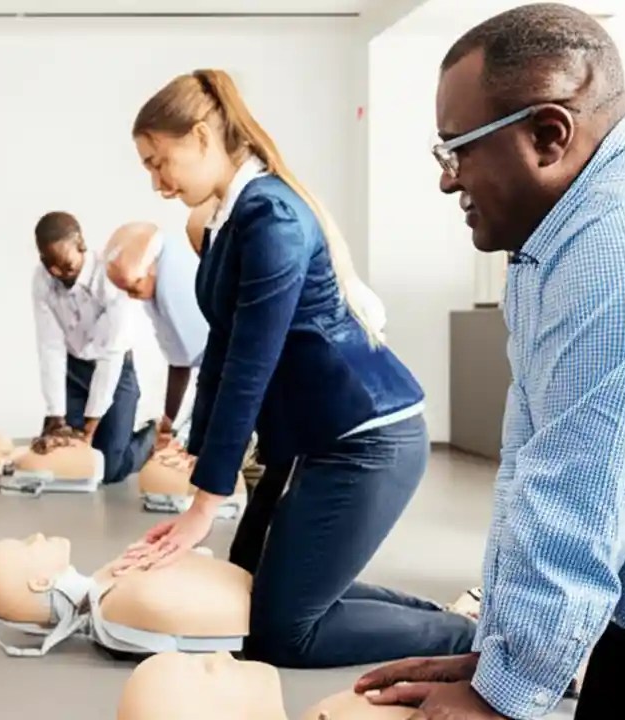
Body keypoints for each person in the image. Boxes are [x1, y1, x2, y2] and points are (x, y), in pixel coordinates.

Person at [357, 6, 625, 719]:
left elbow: (579, 485)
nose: (446, 179)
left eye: (455, 149)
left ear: (548, 135)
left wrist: (502, 697)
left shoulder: (621, 238)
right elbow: (534, 464)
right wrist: (499, 655)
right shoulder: (558, 235)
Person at [114, 68, 476, 668]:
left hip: (369, 438)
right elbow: (222, 353)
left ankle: (474, 640)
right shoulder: (228, 220)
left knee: (282, 634)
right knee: (252, 590)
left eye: (160, 161)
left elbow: (250, 366)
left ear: (202, 136)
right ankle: (456, 620)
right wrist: (199, 460)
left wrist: (206, 504)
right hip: (315, 437)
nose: (156, 182)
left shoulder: (271, 218)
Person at [31, 211, 156, 485]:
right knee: (63, 461)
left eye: (66, 266)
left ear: (82, 247)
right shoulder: (43, 279)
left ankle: (150, 439)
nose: (56, 272)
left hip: (115, 368)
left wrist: (90, 426)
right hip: (75, 370)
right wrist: (56, 416)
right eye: (48, 263)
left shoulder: (111, 277)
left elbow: (110, 357)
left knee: (108, 470)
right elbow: (50, 347)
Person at [104, 222, 207, 449]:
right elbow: (179, 361)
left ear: (151, 269)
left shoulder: (176, 288)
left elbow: (208, 369)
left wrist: (184, 435)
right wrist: (168, 421)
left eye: (133, 287)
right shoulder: (156, 280)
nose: (132, 296)